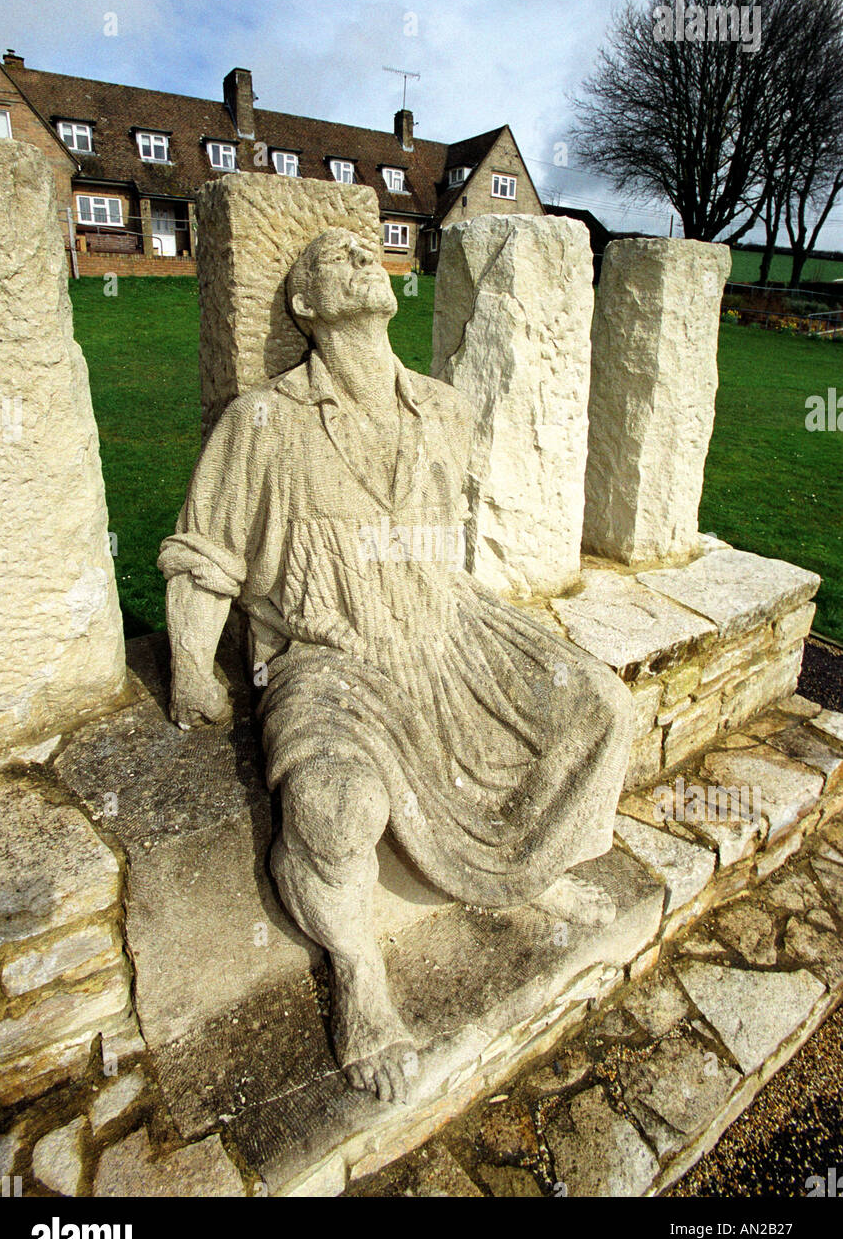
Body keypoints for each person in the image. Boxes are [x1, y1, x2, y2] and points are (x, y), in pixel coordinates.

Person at [159, 229, 633, 1103]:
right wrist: (192, 663)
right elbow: (202, 556)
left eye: (364, 250)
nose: (358, 257)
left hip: (450, 628)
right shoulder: (261, 421)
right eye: (331, 257)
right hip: (331, 654)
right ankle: (358, 972)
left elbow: (446, 547)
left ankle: (533, 871)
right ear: (304, 306)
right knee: (336, 812)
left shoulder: (445, 409)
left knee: (601, 704)